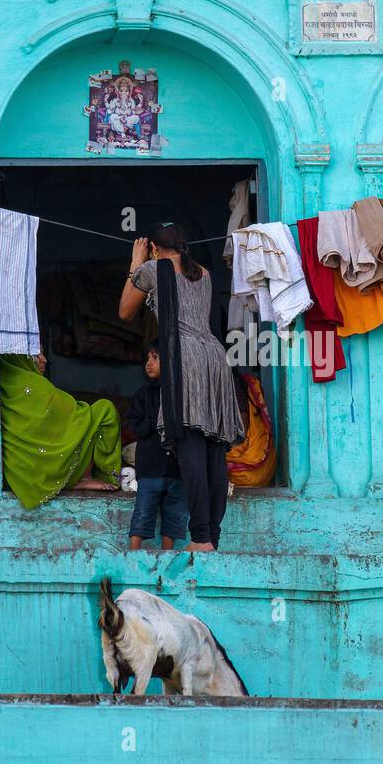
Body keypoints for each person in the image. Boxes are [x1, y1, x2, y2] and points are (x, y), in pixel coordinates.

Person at [119, 223, 244, 552]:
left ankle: (200, 537)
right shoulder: (202, 272)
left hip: (183, 359)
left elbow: (125, 311)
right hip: (214, 357)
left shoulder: (153, 268)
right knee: (214, 452)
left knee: (190, 449)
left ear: (156, 249)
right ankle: (211, 537)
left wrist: (135, 263)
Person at [0, 351, 121, 509]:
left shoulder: (4, 386)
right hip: (59, 472)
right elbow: (76, 415)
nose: (44, 360)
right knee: (105, 410)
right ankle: (85, 477)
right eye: (36, 354)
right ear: (22, 357)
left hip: (24, 478)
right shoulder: (33, 384)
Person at [126, 342, 188, 550]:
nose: (149, 363)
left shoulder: (181, 394)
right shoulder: (144, 394)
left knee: (174, 515)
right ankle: (132, 554)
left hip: (176, 469)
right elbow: (134, 423)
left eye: (155, 358)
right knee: (143, 512)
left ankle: (167, 556)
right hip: (150, 468)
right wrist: (156, 421)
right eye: (148, 358)